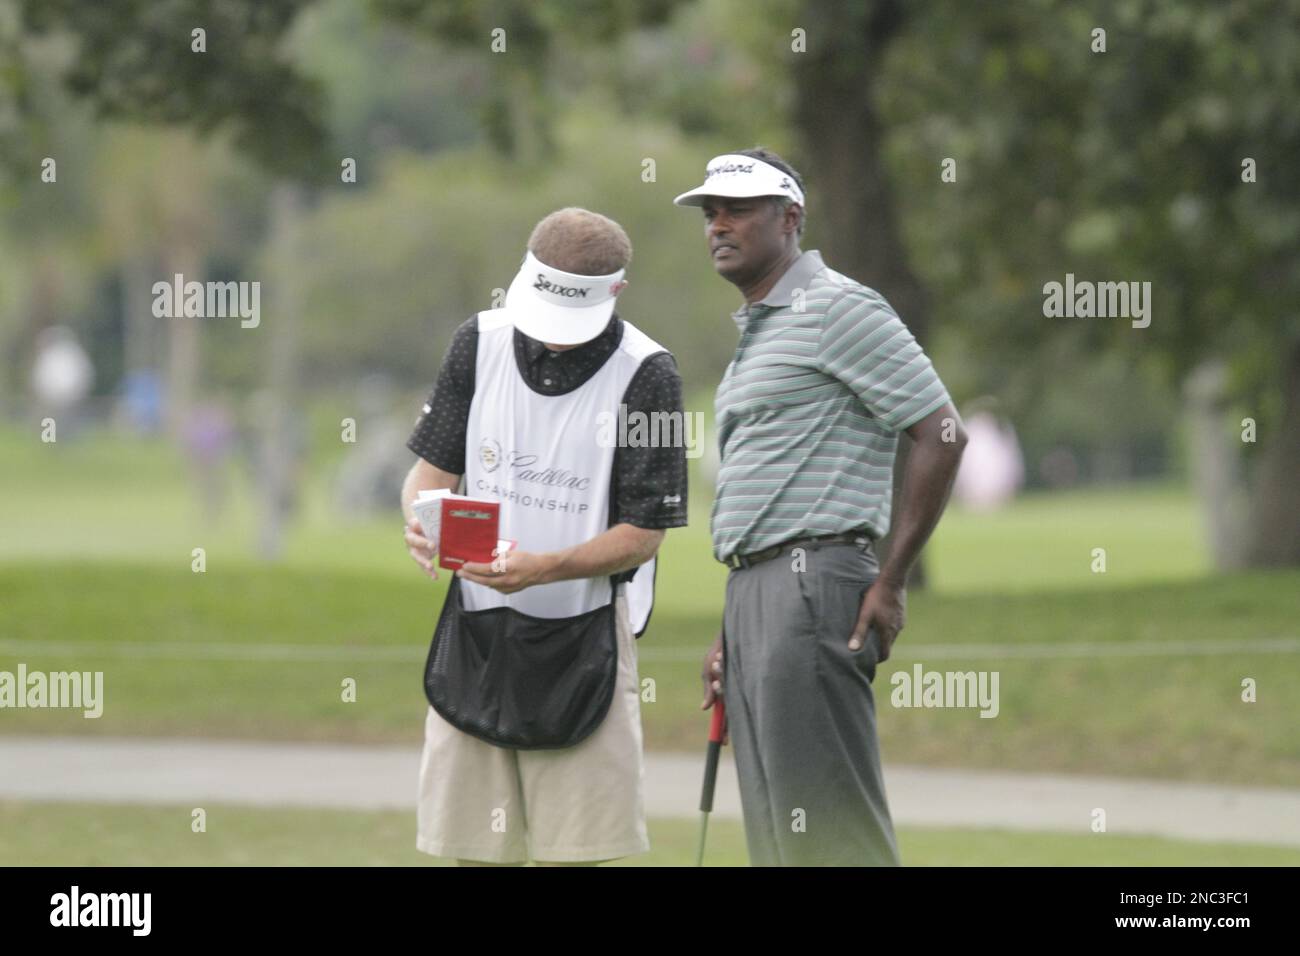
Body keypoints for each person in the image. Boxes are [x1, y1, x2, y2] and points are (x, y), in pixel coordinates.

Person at [675, 149, 968, 866]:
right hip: (760, 592)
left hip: (816, 584)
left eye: (738, 210)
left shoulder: (837, 306)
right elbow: (774, 489)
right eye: (711, 212)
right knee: (782, 838)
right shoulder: (765, 324)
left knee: (831, 833)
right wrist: (735, 622)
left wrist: (892, 580)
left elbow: (942, 432)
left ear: (791, 217)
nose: (719, 224)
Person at [400, 207, 688, 865]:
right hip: (475, 631)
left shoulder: (651, 374)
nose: (554, 339)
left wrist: (544, 567)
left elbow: (646, 532)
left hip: (586, 638)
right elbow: (428, 475)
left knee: (580, 854)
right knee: (469, 849)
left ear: (615, 292)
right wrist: (420, 523)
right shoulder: (475, 342)